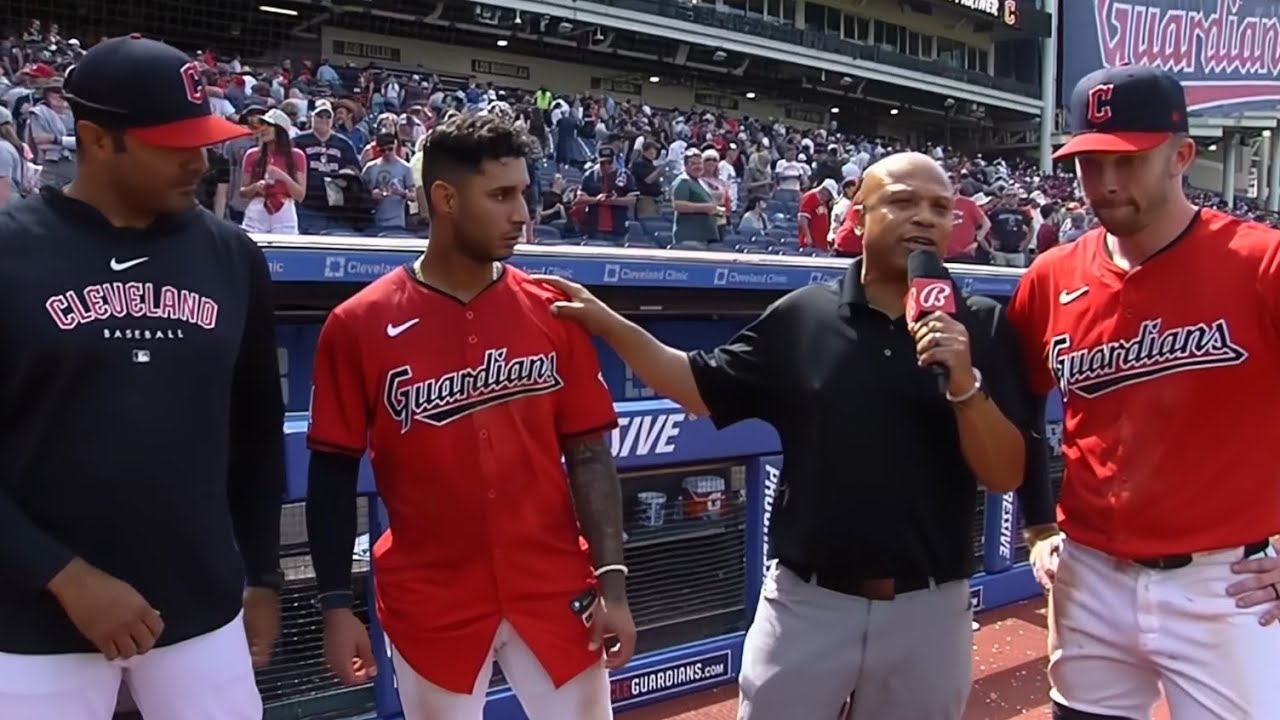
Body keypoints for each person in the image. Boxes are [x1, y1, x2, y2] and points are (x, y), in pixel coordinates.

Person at [537, 152, 1036, 720]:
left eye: (940, 208)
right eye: (902, 201)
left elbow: (1005, 472)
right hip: (809, 603)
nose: (924, 217)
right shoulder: (804, 316)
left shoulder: (980, 324)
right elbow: (698, 386)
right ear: (858, 213)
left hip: (931, 607)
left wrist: (965, 382)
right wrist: (608, 323)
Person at [304, 113, 636, 720]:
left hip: (555, 584)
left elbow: (589, 455)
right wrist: (333, 603)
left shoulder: (552, 311)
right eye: (502, 195)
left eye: (524, 194)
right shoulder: (358, 324)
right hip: (433, 597)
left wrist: (613, 586)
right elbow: (330, 472)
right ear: (446, 198)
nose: (522, 215)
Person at [0, 34, 284, 719]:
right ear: (98, 139)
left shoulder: (231, 255)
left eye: (206, 138)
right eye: (174, 143)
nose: (201, 160)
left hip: (200, 614)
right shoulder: (10, 253)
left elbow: (256, 430)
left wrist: (266, 575)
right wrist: (64, 576)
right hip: (32, 623)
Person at [1009, 64, 1280, 720]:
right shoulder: (1051, 277)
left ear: (1181, 155)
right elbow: (1018, 404)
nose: (1105, 182)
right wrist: (1040, 525)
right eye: (1090, 161)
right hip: (1089, 578)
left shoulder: (1261, 263)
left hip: (1227, 585)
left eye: (1128, 161)